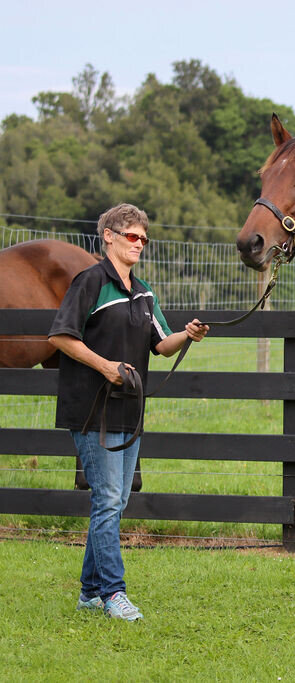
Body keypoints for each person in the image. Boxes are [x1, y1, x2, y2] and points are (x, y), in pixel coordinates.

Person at [48, 203, 209, 621]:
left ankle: (89, 592)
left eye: (143, 239)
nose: (139, 244)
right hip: (91, 410)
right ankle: (114, 593)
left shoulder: (143, 291)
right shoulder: (90, 282)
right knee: (107, 500)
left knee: (115, 502)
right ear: (109, 236)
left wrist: (186, 335)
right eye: (132, 236)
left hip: (129, 410)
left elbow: (161, 344)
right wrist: (106, 366)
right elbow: (61, 337)